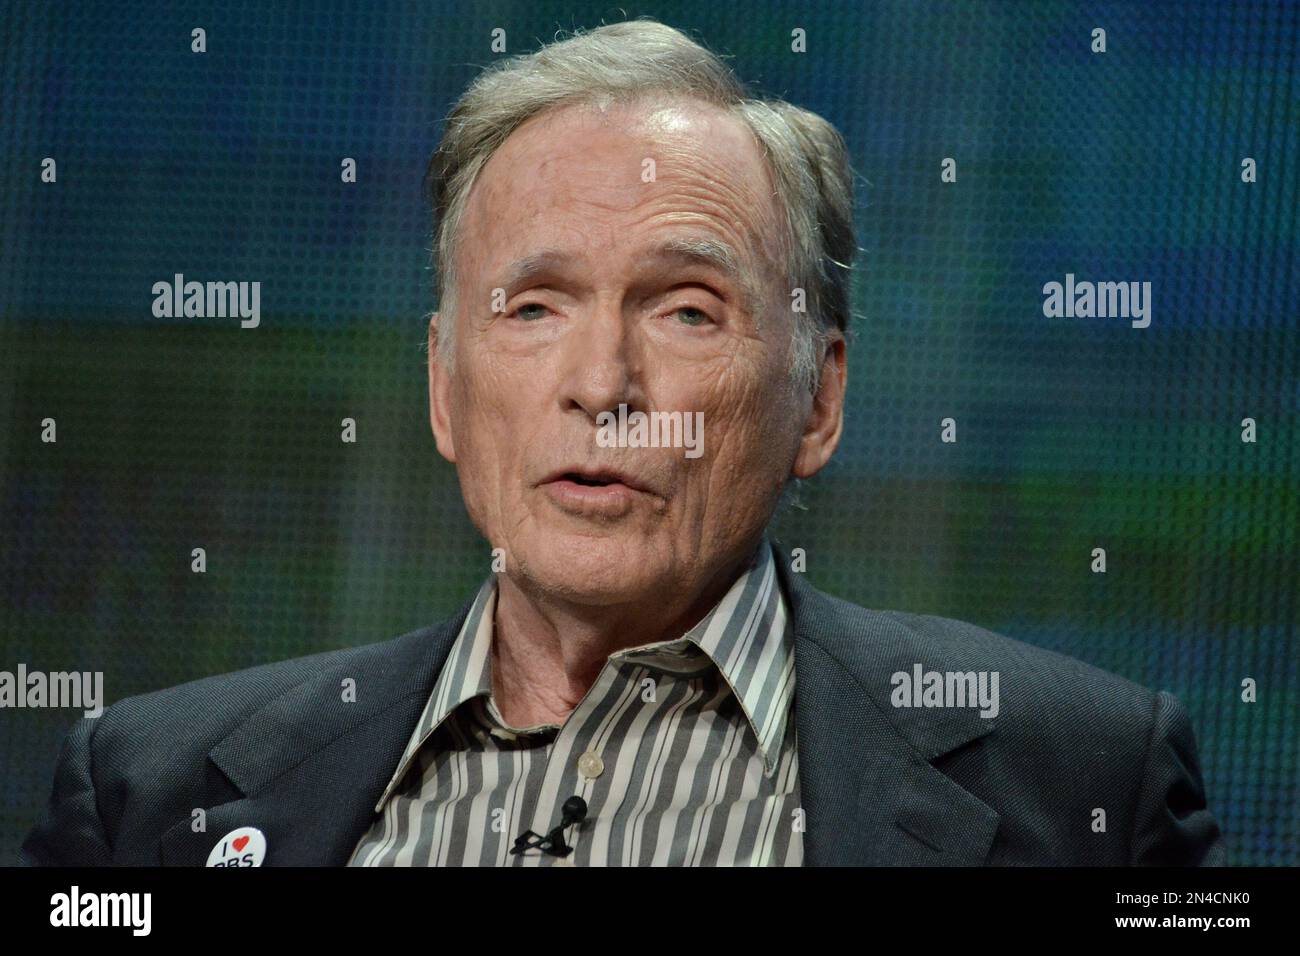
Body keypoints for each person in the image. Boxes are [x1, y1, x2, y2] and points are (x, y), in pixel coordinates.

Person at [22, 19, 1224, 867]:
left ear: (817, 399)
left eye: (686, 308)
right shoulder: (150, 789)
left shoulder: (1084, 780)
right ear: (443, 385)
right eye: (533, 306)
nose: (602, 385)